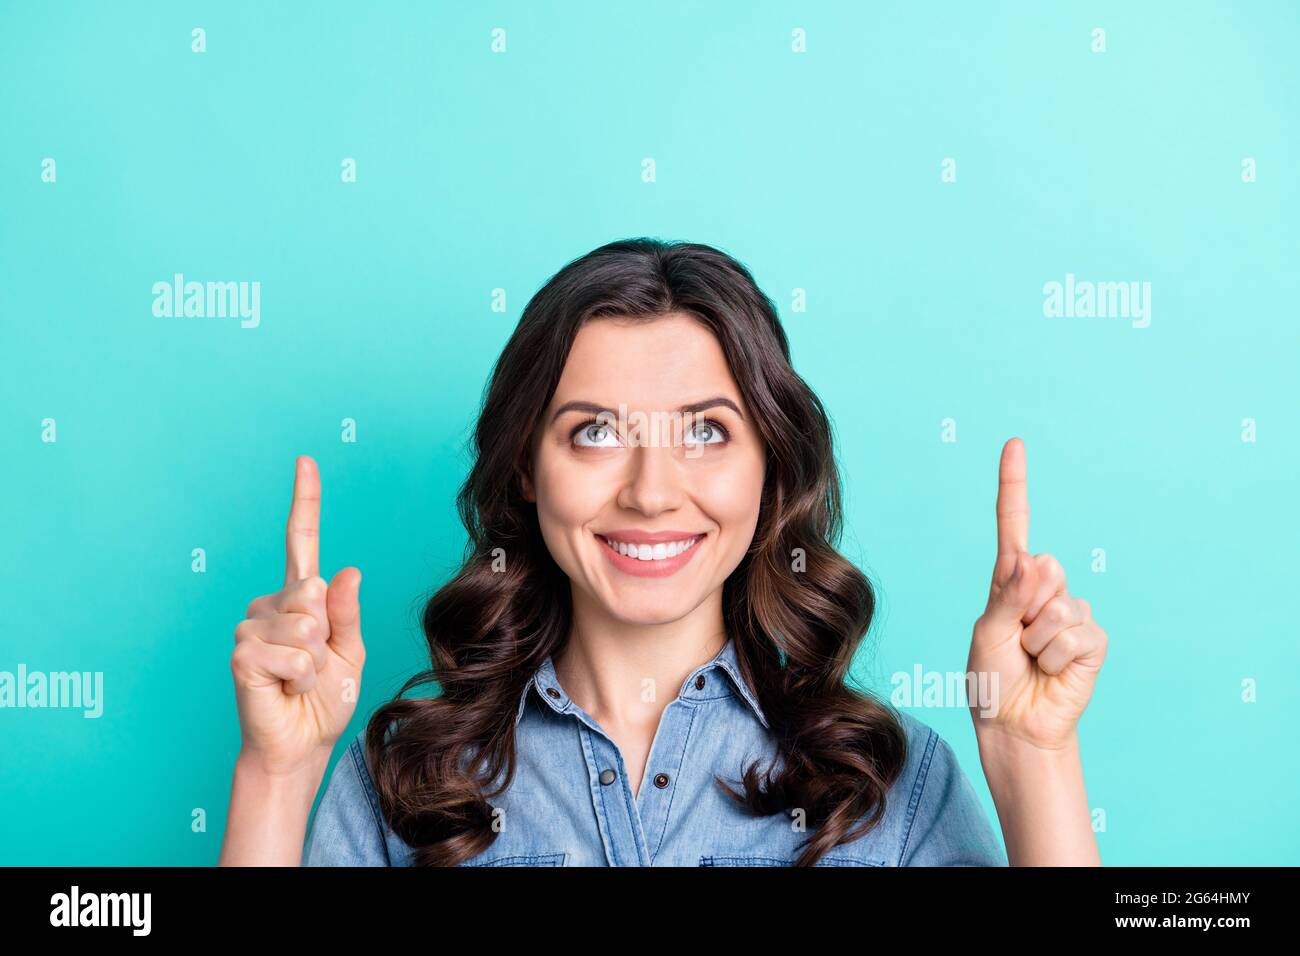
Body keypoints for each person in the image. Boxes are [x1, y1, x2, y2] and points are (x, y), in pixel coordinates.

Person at [218, 238, 1108, 867]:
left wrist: (1036, 761)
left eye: (707, 433)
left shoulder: (888, 786)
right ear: (528, 468)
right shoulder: (407, 783)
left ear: (770, 467)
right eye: (595, 431)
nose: (650, 491)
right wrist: (277, 773)